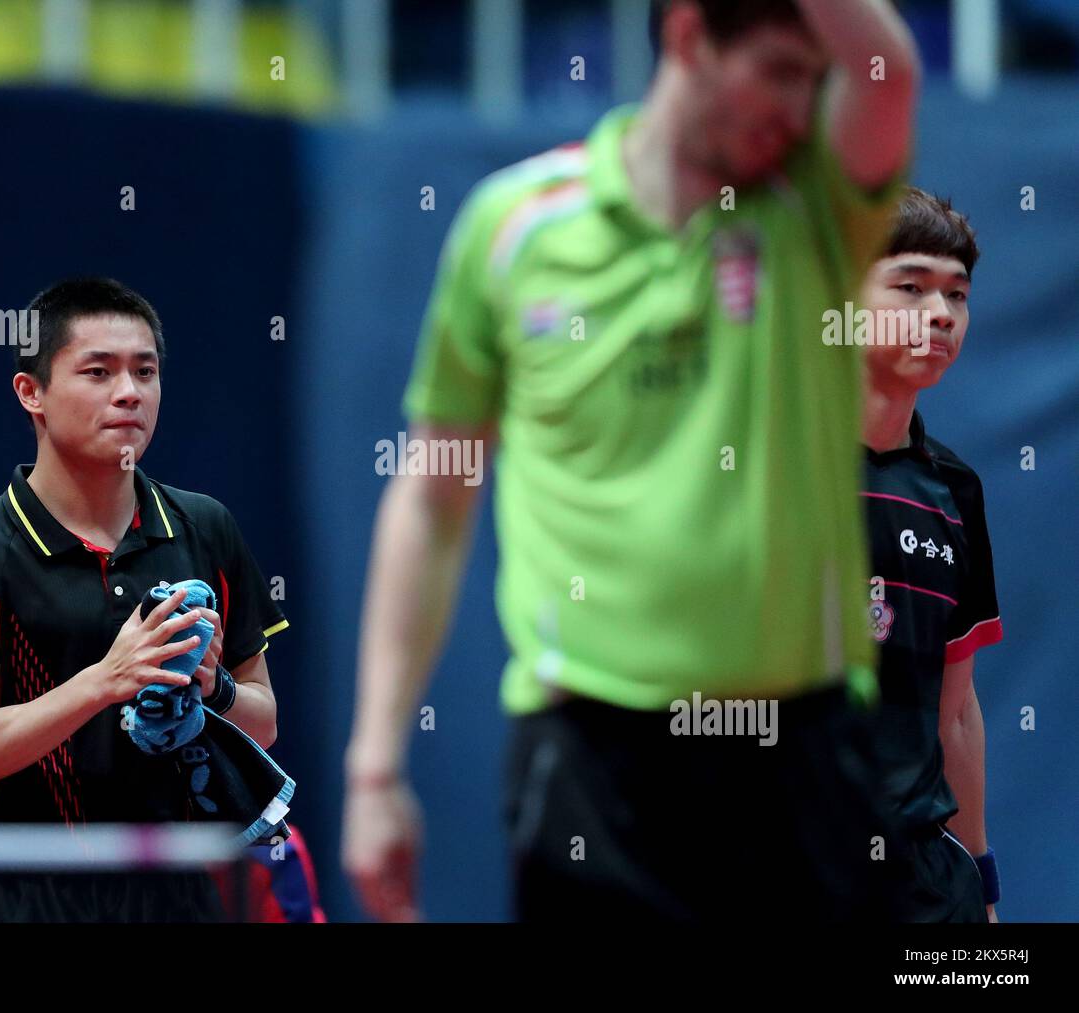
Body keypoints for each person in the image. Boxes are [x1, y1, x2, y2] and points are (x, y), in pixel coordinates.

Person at [343, 0, 920, 922]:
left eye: (815, 80)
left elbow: (888, 65)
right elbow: (431, 500)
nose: (799, 106)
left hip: (800, 748)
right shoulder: (513, 228)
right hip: (586, 758)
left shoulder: (816, 209)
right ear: (688, 34)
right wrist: (374, 766)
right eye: (777, 71)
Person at [0, 277, 288, 922]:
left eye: (145, 371)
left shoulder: (206, 527)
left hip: (192, 902)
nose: (129, 392)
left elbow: (262, 722)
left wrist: (216, 692)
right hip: (40, 909)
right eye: (98, 372)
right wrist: (104, 682)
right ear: (31, 392)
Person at [858, 188, 1003, 922]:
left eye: (957, 294)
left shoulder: (953, 490)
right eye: (910, 288)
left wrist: (981, 883)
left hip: (926, 890)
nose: (941, 315)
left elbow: (956, 714)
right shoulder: (762, 470)